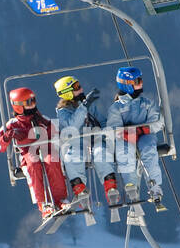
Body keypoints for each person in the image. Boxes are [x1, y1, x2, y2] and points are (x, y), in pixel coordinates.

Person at [0, 87, 67, 220]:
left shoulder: (41, 119)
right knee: (33, 164)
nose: (33, 104)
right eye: (28, 102)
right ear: (18, 106)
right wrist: (7, 136)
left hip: (46, 150)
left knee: (52, 160)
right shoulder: (12, 124)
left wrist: (52, 130)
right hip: (28, 155)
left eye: (33, 100)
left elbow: (57, 134)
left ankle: (59, 200)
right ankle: (43, 205)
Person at [53, 75, 119, 207]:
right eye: (76, 87)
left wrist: (108, 131)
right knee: (72, 157)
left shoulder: (89, 106)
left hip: (95, 137)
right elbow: (71, 126)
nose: (81, 89)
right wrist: (84, 106)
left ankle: (110, 186)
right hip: (78, 142)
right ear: (67, 93)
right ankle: (80, 189)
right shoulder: (63, 112)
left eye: (79, 85)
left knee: (101, 153)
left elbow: (100, 120)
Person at [105, 67, 164, 207]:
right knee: (124, 151)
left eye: (141, 80)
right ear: (127, 84)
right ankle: (130, 185)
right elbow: (113, 129)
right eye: (137, 81)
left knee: (149, 148)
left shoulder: (147, 103)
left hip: (145, 136)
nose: (141, 83)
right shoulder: (117, 107)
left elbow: (158, 122)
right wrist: (126, 133)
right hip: (126, 139)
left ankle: (155, 185)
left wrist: (142, 129)